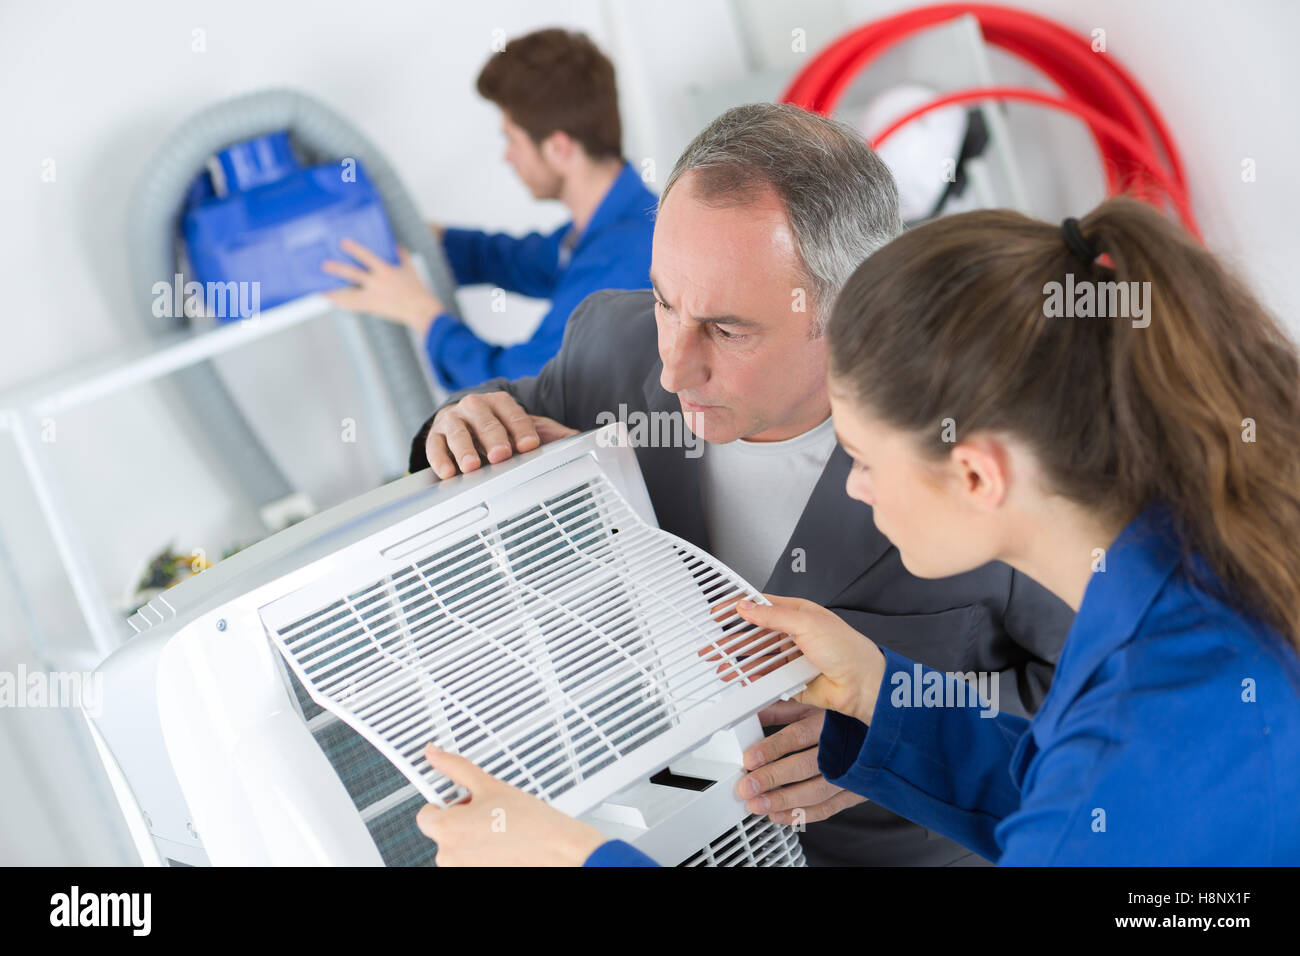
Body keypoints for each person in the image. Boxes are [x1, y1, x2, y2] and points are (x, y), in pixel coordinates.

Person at [418, 197, 1300, 866]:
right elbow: (1066, 797)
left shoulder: (1135, 754)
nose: (852, 483)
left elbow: (1086, 814)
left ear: (977, 474)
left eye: (863, 455)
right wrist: (885, 697)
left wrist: (578, 857)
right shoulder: (1203, 597)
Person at [407, 103, 1075, 866]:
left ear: (848, 310)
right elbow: (481, 426)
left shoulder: (983, 466)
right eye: (665, 301)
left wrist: (898, 738)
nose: (674, 367)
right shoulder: (610, 348)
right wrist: (458, 426)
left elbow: (1096, 707)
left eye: (728, 330)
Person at [321, 28, 656, 391]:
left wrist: (421, 313)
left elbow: (525, 387)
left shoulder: (623, 257)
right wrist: (425, 238)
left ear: (559, 148)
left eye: (511, 138)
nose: (506, 156)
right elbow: (514, 260)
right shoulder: (615, 225)